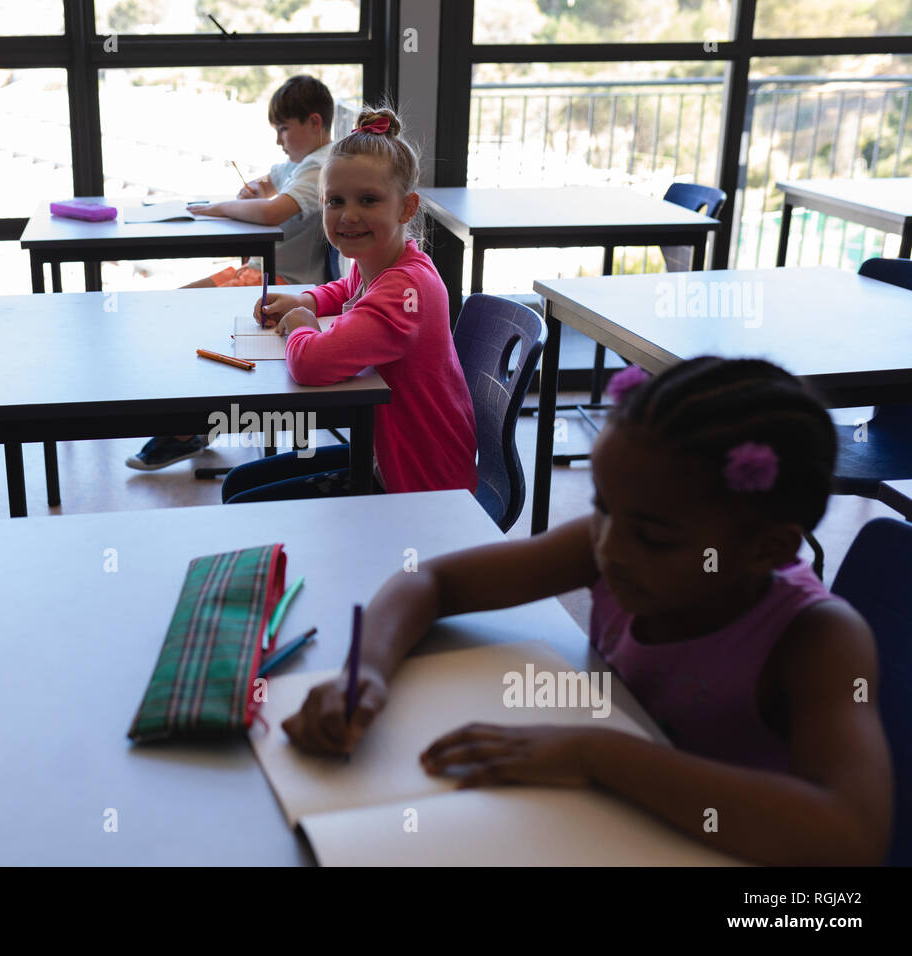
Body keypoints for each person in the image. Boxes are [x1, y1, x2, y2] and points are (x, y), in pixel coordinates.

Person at [282, 357, 893, 865]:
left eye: (654, 537)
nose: (610, 548)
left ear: (768, 546)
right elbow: (433, 582)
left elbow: (849, 836)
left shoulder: (818, 639)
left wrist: (598, 755)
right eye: (601, 508)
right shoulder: (613, 542)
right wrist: (366, 670)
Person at [220, 106, 478, 503]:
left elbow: (310, 364)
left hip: (419, 481)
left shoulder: (404, 291)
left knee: (243, 503)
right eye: (335, 201)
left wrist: (304, 323)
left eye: (369, 200)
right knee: (237, 483)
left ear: (406, 207)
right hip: (388, 450)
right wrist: (304, 298)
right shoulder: (383, 261)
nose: (349, 215)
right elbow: (346, 290)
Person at [127, 75, 337, 471]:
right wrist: (256, 189)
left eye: (284, 129)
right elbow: (269, 180)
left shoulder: (321, 166)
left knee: (179, 312)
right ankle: (190, 423)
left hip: (283, 284)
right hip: (262, 274)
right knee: (170, 306)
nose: (279, 140)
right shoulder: (302, 164)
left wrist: (223, 206)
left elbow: (274, 212)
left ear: (313, 122)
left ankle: (189, 428)